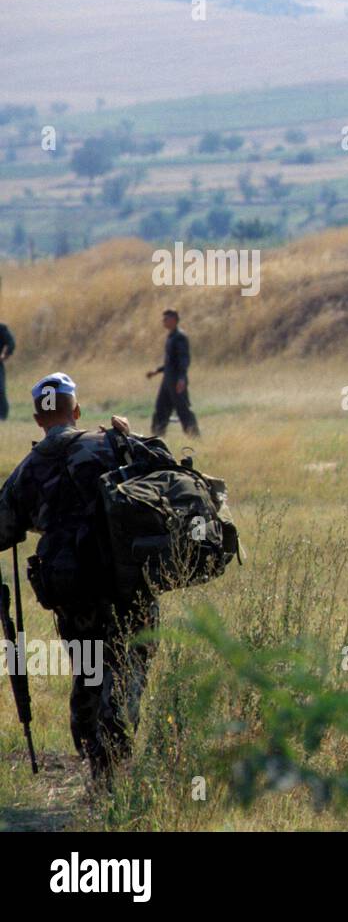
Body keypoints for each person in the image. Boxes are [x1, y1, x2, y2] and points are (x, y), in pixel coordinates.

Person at [0, 373, 158, 784]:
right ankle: (111, 765)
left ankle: (94, 762)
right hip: (128, 584)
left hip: (74, 592)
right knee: (125, 668)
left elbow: (2, 530)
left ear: (38, 418)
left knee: (89, 671)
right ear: (78, 412)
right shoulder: (111, 445)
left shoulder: (28, 470)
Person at [146, 309, 200, 438]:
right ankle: (156, 438)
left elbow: (183, 360)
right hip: (167, 381)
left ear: (174, 320)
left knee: (183, 410)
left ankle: (194, 436)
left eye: (166, 319)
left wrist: (181, 378)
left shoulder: (180, 337)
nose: (163, 321)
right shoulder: (171, 337)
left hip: (176, 381)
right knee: (160, 410)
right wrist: (157, 371)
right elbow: (170, 362)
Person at [0, 321, 14, 421]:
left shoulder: (1, 329)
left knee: (0, 390)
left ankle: (2, 416)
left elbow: (11, 343)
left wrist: (5, 354)